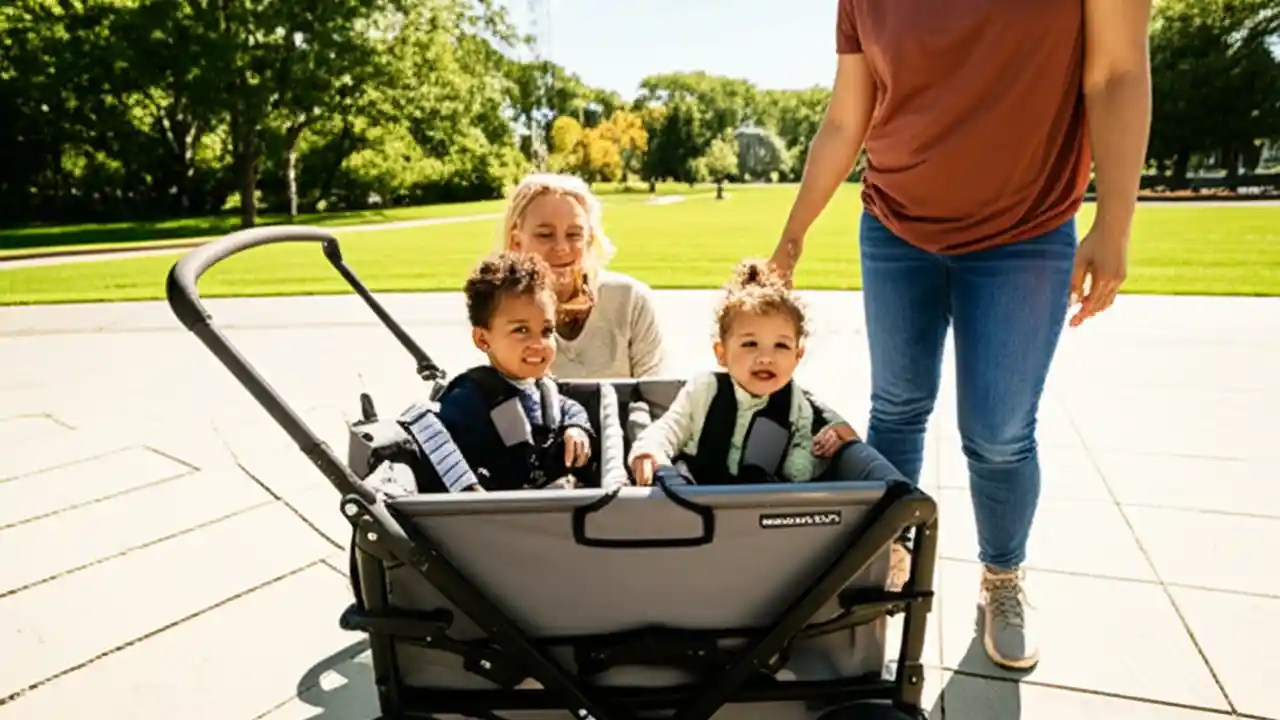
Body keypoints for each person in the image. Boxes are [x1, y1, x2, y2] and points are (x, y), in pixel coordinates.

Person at [769, 0, 1153, 671]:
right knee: (896, 407)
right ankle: (887, 565)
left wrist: (1114, 224)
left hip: (1025, 231)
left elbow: (1115, 74)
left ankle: (1002, 578)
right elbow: (845, 117)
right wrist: (791, 237)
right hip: (894, 224)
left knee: (999, 434)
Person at [627, 260, 903, 493]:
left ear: (798, 355)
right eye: (750, 344)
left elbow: (826, 450)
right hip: (697, 498)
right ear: (721, 353)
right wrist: (649, 451)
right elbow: (669, 428)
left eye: (781, 346)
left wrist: (824, 447)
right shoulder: (705, 389)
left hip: (759, 508)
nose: (766, 358)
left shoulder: (798, 403)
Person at [435, 252, 597, 491]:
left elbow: (567, 406)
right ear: (482, 339)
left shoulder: (541, 387)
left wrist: (576, 426)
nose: (538, 343)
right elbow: (456, 459)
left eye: (546, 331)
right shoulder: (468, 399)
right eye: (521, 330)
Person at [499, 172, 665, 379]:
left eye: (574, 235)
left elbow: (656, 394)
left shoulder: (631, 300)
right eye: (545, 235)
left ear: (589, 239)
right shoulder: (501, 310)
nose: (561, 247)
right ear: (516, 242)